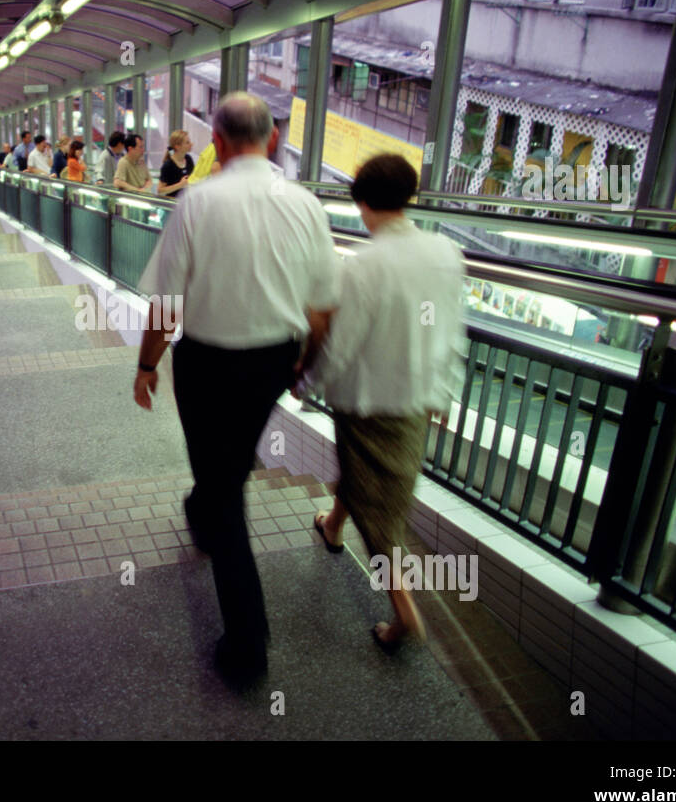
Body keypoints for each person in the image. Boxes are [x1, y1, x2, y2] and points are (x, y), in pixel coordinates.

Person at [134, 92, 338, 688]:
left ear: (216, 144)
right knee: (224, 469)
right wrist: (303, 369)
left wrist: (147, 365)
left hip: (205, 365)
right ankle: (203, 505)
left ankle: (248, 645)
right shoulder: (306, 204)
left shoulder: (197, 203)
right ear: (272, 138)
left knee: (225, 491)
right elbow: (323, 309)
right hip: (273, 363)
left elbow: (167, 305)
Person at [296, 154, 464, 653]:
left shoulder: (365, 265)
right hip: (415, 400)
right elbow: (452, 329)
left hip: (367, 403)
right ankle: (331, 525)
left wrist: (306, 382)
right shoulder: (445, 252)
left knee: (381, 512)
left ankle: (403, 611)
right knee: (370, 483)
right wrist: (445, 390)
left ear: (363, 203)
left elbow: (342, 344)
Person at [158, 130, 194, 198]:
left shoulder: (189, 159)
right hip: (172, 204)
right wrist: (180, 185)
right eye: (187, 142)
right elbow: (160, 190)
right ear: (177, 146)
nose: (191, 144)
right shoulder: (168, 165)